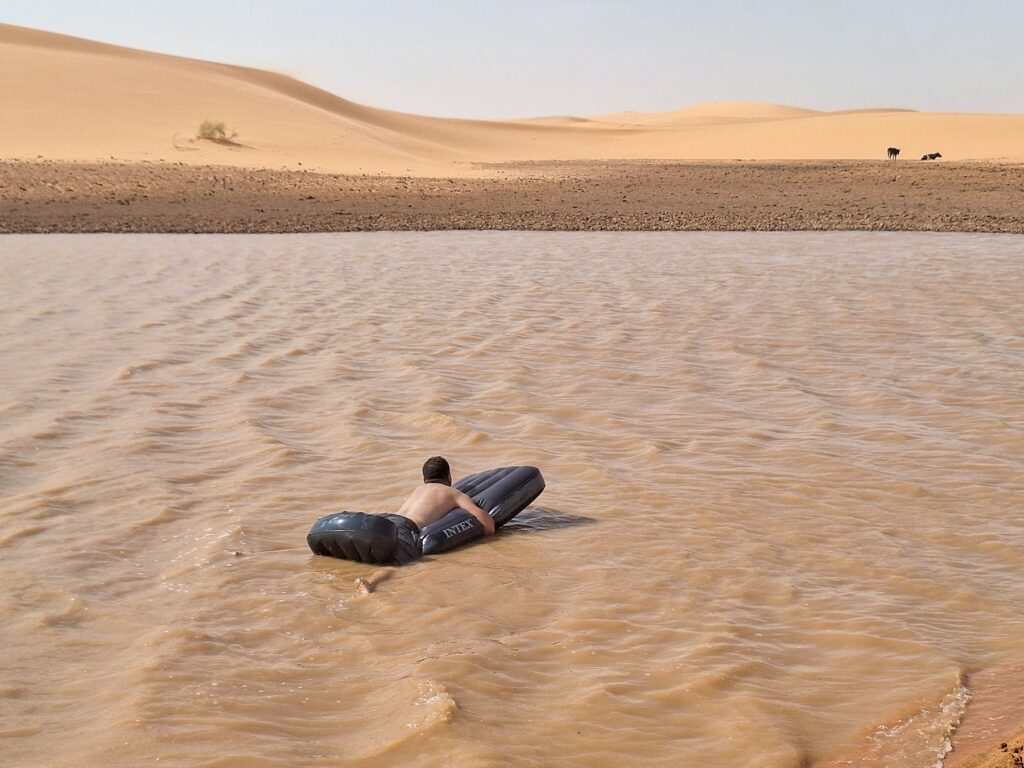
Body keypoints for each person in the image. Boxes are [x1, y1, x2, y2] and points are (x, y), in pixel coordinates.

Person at [355, 456, 495, 594]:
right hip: (405, 528)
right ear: (448, 476)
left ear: (424, 478)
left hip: (387, 521)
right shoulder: (452, 493)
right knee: (397, 566)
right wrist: (490, 531)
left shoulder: (419, 490)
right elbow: (480, 516)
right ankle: (371, 583)